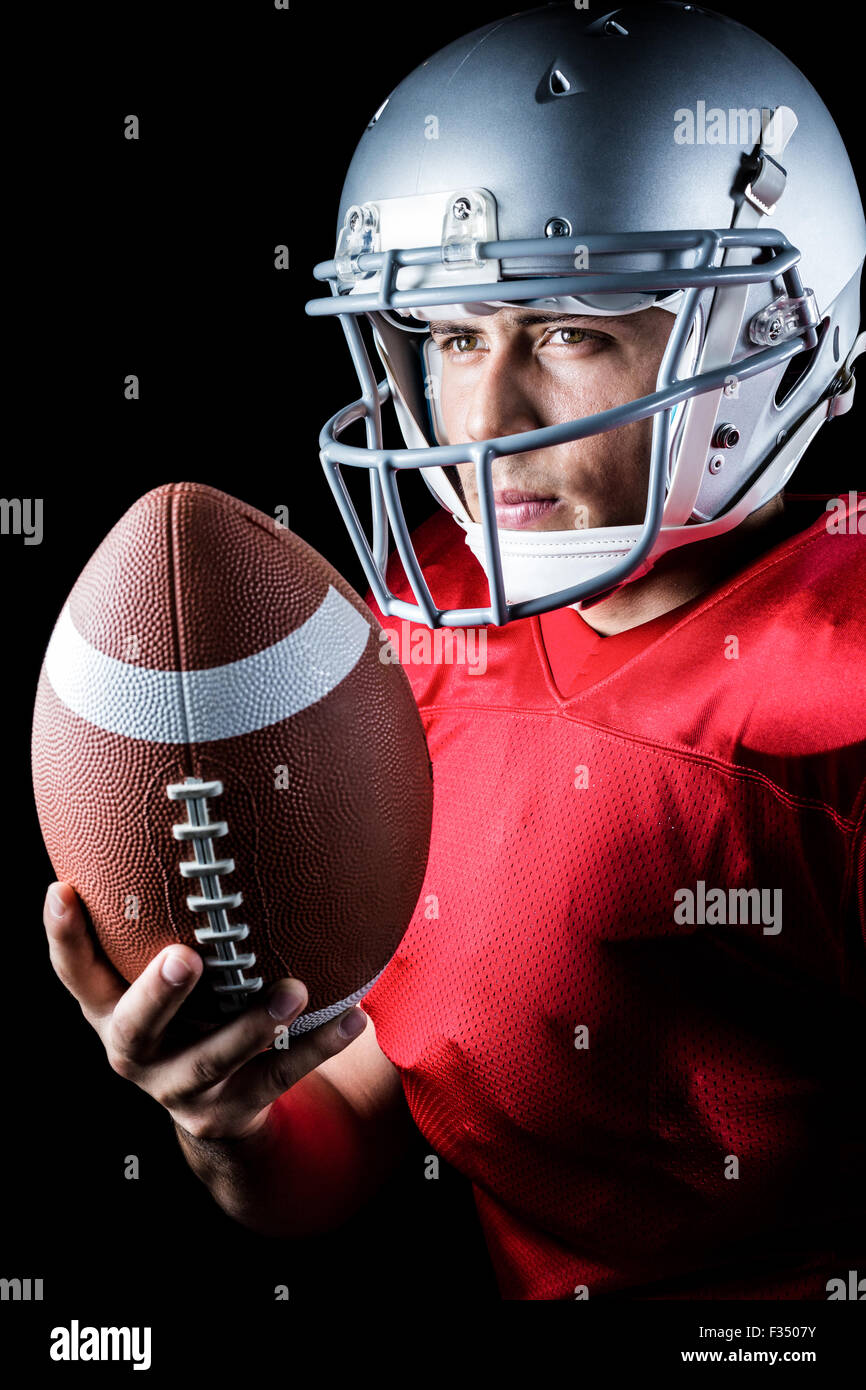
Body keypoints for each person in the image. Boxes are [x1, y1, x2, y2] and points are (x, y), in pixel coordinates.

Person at [44, 2, 865, 1298]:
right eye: (451, 335)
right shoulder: (429, 602)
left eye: (567, 329)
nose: (486, 420)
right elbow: (391, 1098)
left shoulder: (839, 701)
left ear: (765, 337)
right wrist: (231, 1116)